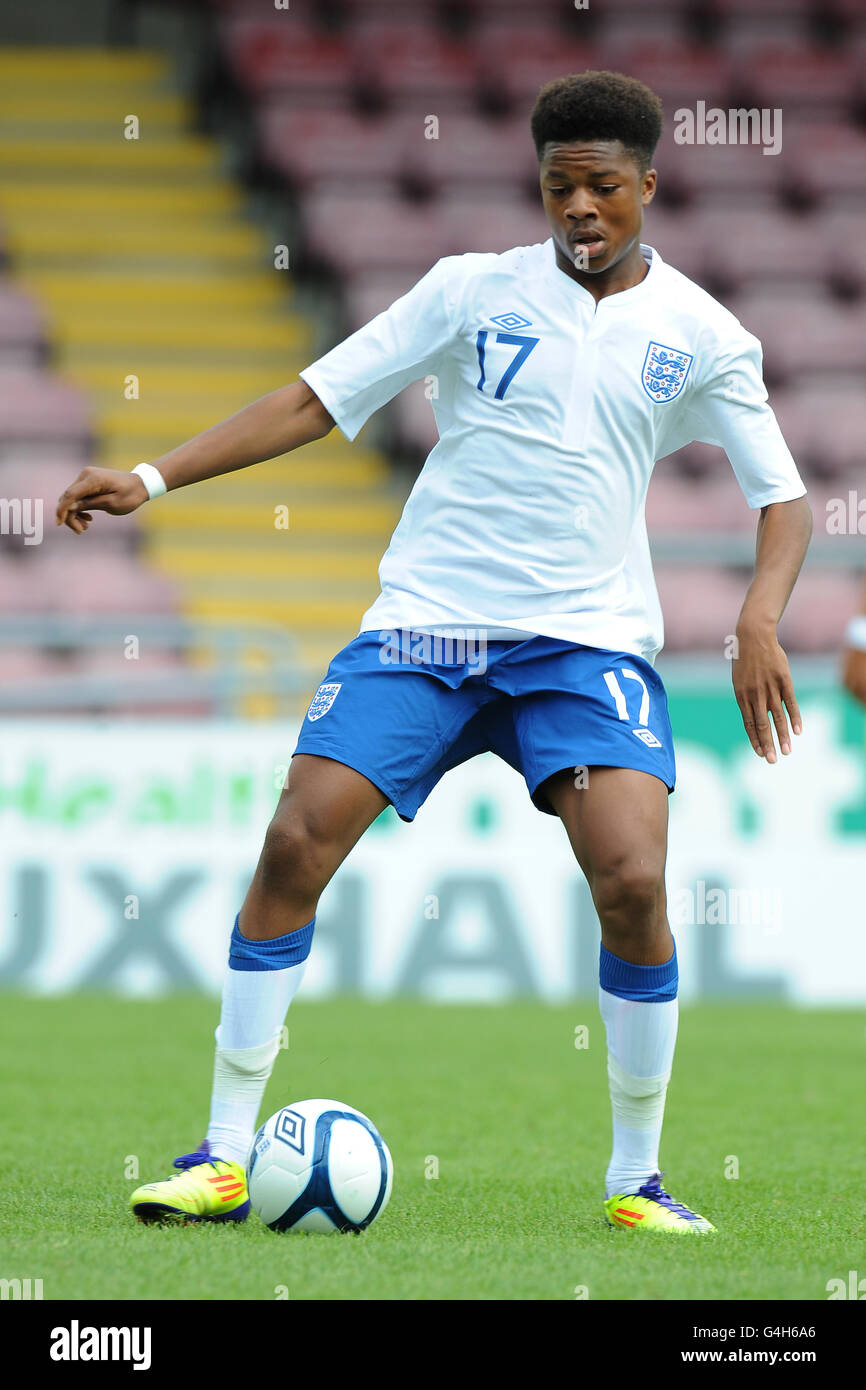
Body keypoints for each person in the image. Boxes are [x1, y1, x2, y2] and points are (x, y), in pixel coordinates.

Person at [56, 71, 812, 1234]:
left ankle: (633, 1179)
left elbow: (785, 502)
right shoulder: (469, 291)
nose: (579, 209)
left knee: (632, 881)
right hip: (426, 625)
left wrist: (758, 614)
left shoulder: (703, 334)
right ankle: (218, 1151)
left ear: (648, 186)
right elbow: (317, 399)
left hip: (583, 642)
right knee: (296, 835)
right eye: (559, 186)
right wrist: (153, 476)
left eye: (602, 187)